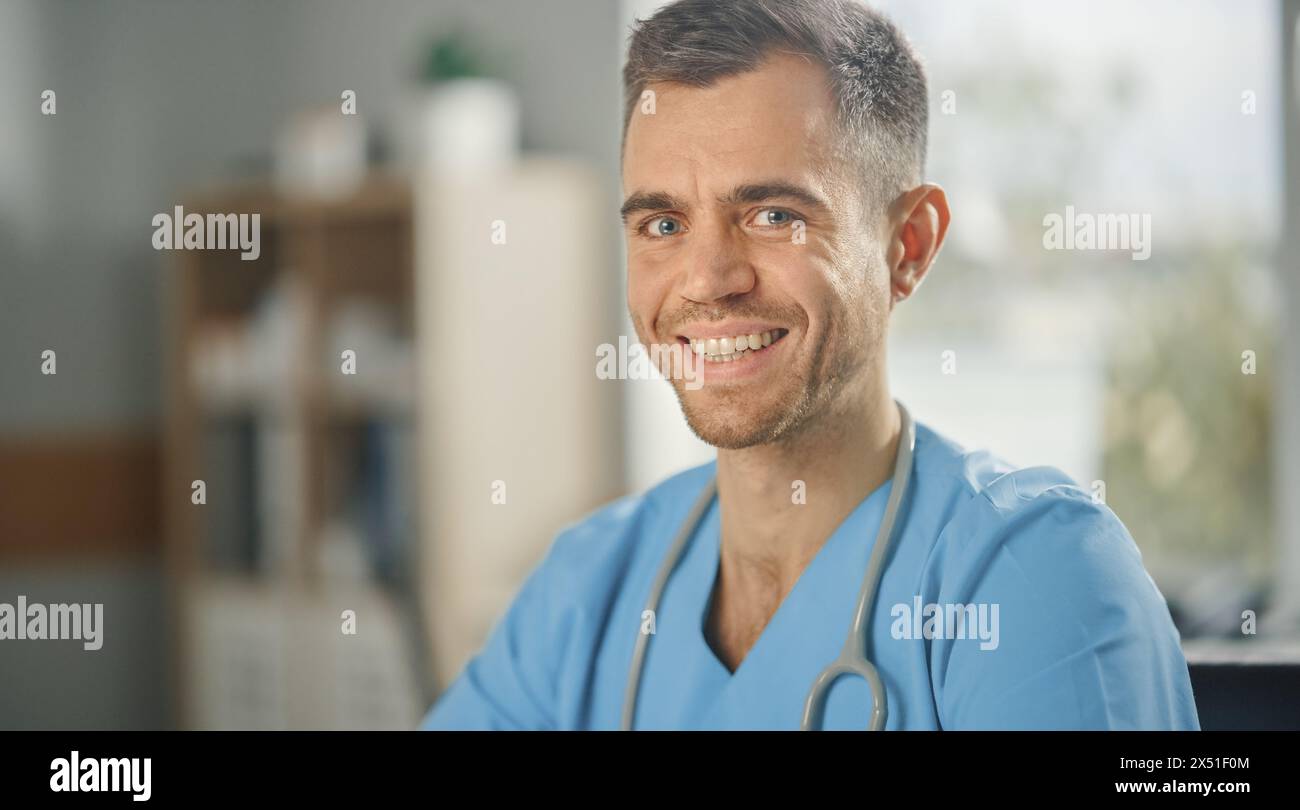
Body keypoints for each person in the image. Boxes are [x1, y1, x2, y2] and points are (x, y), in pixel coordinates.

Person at [421, 0, 1200, 730]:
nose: (706, 278)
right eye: (663, 222)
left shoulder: (1034, 581)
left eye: (772, 216)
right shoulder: (585, 591)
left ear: (909, 245)